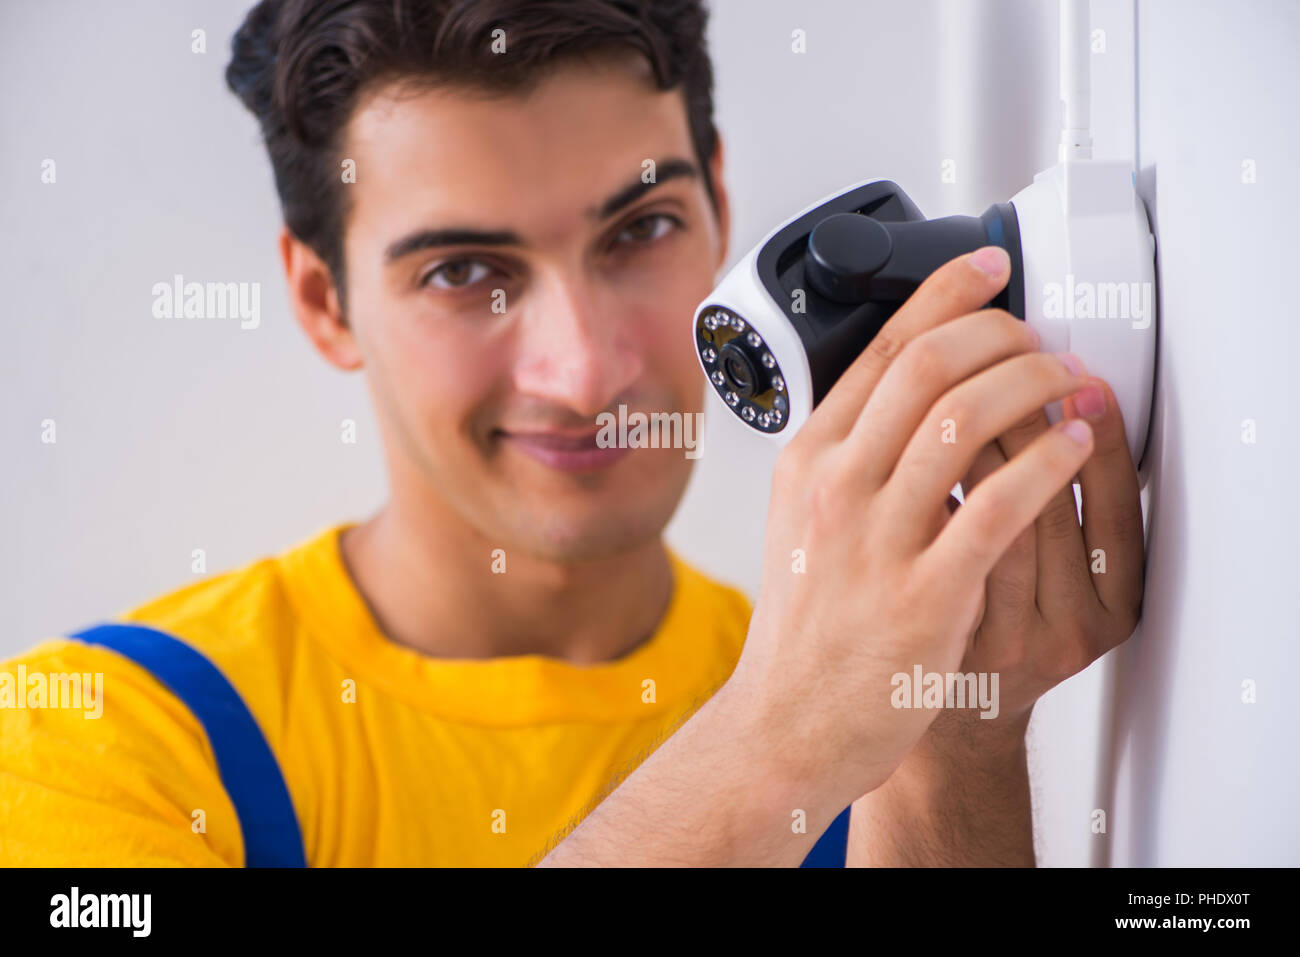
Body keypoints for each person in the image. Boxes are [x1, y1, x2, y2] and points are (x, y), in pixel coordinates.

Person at [0, 0, 1143, 867]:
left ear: (720, 207)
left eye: (639, 229)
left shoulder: (864, 695)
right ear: (323, 300)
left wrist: (947, 753)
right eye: (462, 271)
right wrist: (773, 746)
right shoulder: (94, 748)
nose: (585, 367)